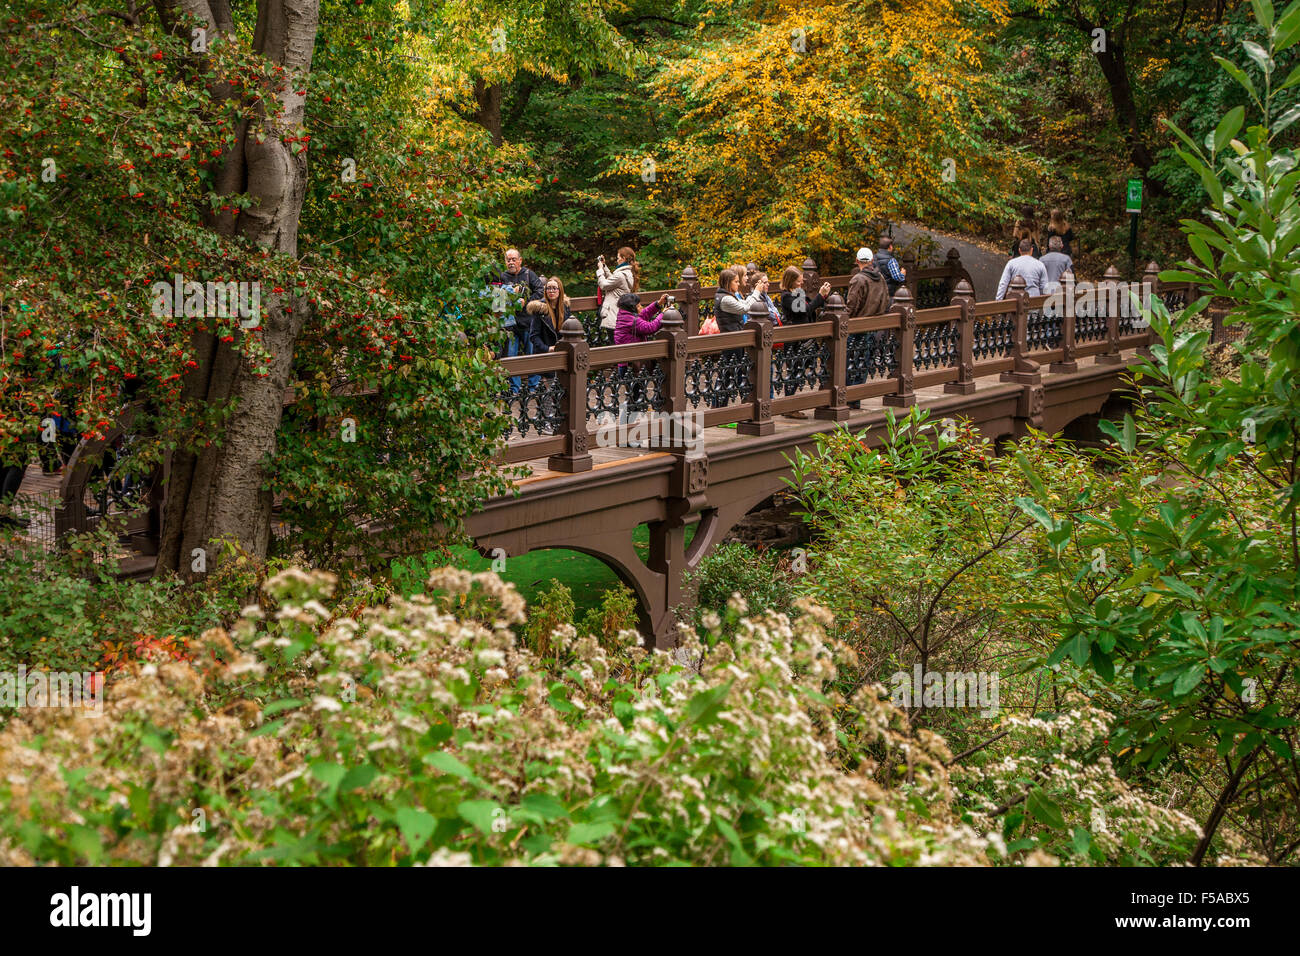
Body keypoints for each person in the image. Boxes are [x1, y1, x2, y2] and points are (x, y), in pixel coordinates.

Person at [493, 248, 544, 392]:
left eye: (513, 259)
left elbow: (540, 291)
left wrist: (526, 301)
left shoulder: (529, 275)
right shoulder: (502, 277)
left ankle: (533, 388)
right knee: (511, 358)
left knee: (531, 356)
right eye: (508, 260)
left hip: (529, 323)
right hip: (510, 326)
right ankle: (514, 388)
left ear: (520, 260)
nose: (511, 262)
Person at [596, 248, 640, 330]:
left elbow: (604, 285)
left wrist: (600, 270)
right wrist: (604, 266)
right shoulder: (629, 272)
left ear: (623, 259)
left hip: (614, 316)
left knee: (614, 341)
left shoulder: (620, 275)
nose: (617, 260)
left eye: (618, 258)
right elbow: (613, 281)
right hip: (622, 314)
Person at [524, 275, 569, 353]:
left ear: (560, 290)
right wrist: (547, 349)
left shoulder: (565, 307)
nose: (551, 291)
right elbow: (534, 336)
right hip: (544, 352)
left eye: (554, 288)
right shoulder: (540, 309)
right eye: (548, 288)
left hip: (562, 350)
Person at [845, 248, 889, 317]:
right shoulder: (881, 277)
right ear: (872, 260)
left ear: (857, 260)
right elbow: (886, 299)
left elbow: (851, 307)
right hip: (879, 323)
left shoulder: (858, 280)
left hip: (860, 324)